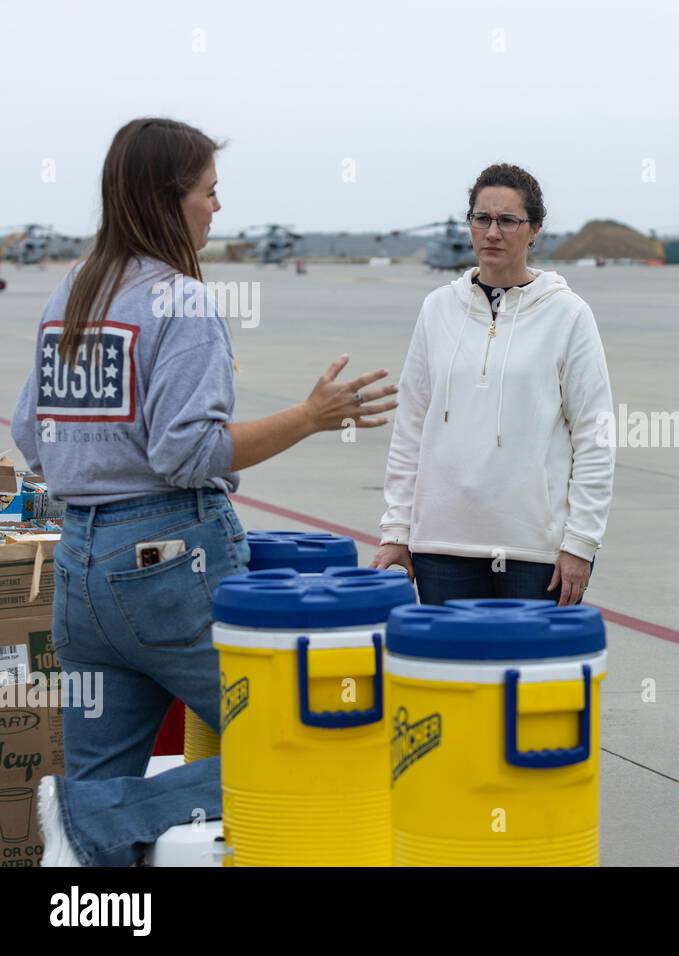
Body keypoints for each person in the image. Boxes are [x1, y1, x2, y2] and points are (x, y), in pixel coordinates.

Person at [9, 116, 397, 866]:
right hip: (168, 565)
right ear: (168, 198)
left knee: (100, 781)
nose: (217, 208)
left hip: (80, 567)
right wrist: (309, 418)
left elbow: (32, 431)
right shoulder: (179, 300)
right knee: (309, 745)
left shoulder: (73, 294)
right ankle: (91, 812)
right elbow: (186, 454)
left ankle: (90, 823)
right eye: (209, 192)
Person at [372, 164, 614, 607]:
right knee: (453, 677)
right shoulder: (437, 309)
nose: (492, 232)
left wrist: (581, 542)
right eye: (481, 218)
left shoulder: (568, 315)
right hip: (442, 548)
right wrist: (396, 530)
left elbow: (595, 437)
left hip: (534, 553)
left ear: (534, 230)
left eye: (507, 220)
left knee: (530, 677)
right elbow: (410, 426)